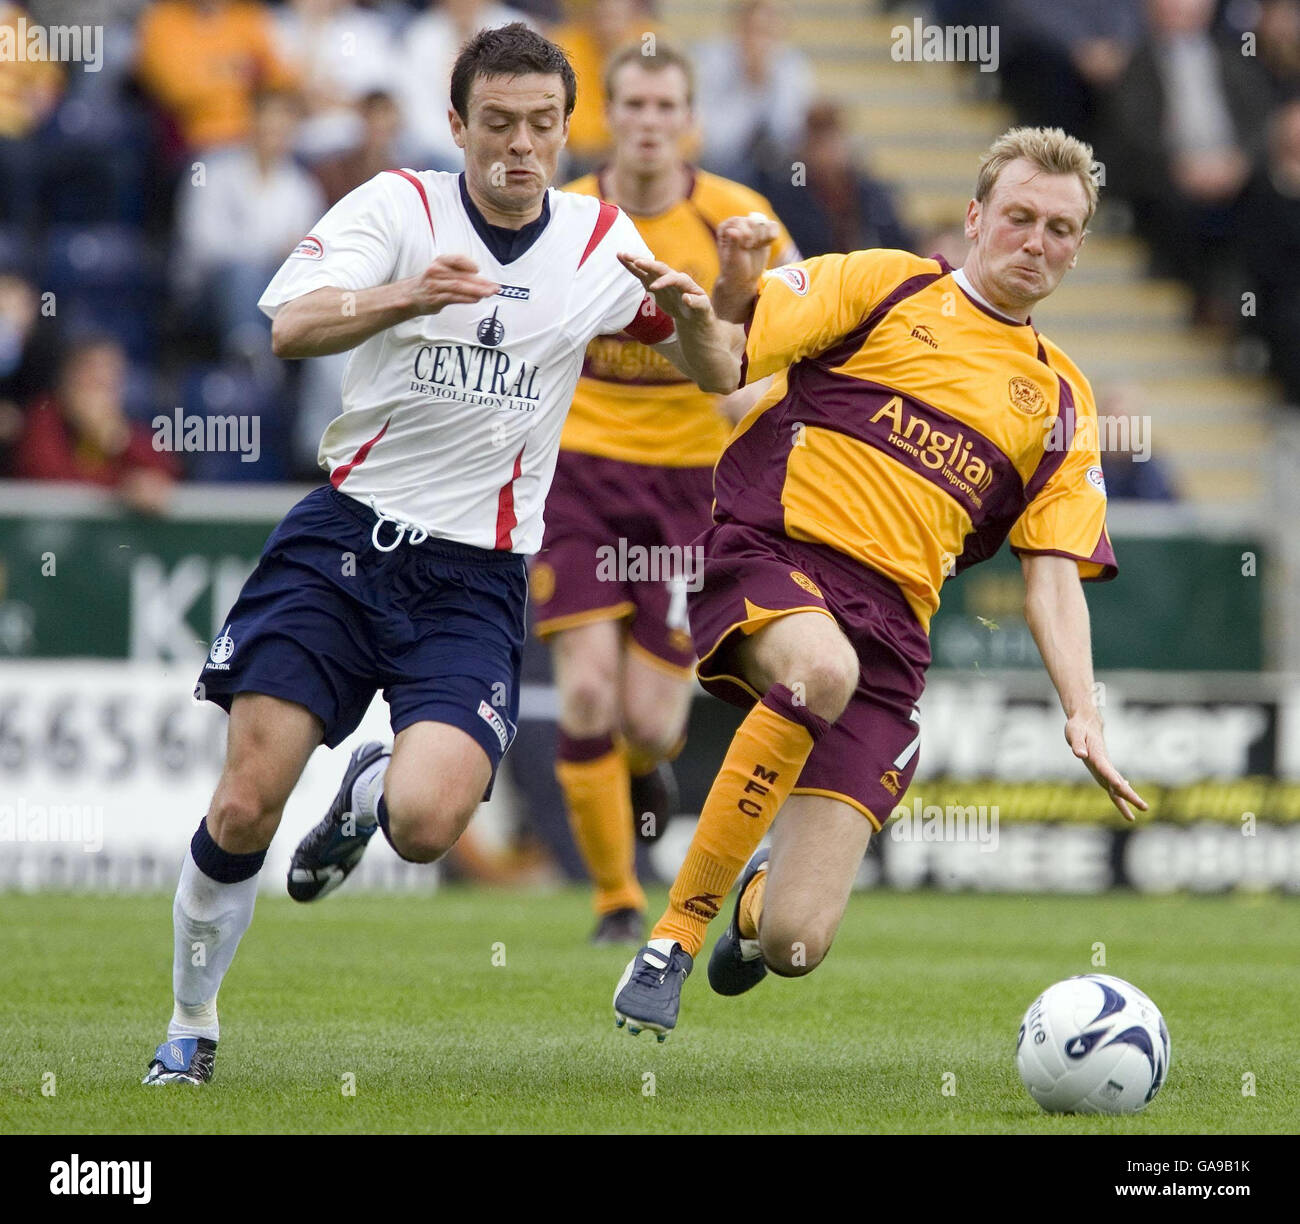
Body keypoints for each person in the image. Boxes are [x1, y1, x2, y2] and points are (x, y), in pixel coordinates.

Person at [141, 22, 754, 1086]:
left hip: (475, 576)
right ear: (459, 124)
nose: (522, 145)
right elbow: (290, 325)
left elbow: (717, 370)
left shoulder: (600, 238)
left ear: (569, 129)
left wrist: (702, 316)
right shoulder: (398, 207)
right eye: (500, 123)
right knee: (246, 799)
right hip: (344, 541)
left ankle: (375, 786)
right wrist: (408, 294)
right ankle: (191, 1027)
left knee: (428, 825)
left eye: (544, 125)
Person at [610, 126, 1149, 1041]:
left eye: (1061, 229)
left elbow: (1053, 576)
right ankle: (671, 935)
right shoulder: (884, 284)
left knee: (795, 946)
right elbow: (728, 360)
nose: (1036, 242)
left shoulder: (1060, 399)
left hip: (892, 633)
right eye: (1019, 217)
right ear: (976, 217)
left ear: (1079, 246)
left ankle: (752, 913)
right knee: (819, 669)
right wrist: (710, 305)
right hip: (772, 553)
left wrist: (1082, 709)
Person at [531, 41, 797, 945]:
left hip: (690, 490)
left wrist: (753, 399)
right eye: (632, 106)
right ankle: (615, 899)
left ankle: (643, 774)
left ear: (692, 119)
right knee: (587, 700)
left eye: (664, 106)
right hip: (574, 476)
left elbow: (783, 344)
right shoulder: (562, 216)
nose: (648, 123)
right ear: (607, 117)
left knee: (648, 724)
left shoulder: (740, 218)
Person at [14, 335, 178, 512]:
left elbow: (166, 473)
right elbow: (48, 482)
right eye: (89, 377)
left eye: (108, 381)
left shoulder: (125, 432)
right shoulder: (43, 419)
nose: (98, 389)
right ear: (66, 379)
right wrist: (120, 487)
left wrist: (120, 442)